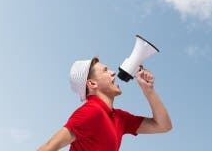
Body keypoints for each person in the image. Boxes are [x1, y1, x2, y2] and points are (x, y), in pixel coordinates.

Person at [37, 57, 172, 151]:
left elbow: (163, 125)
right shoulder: (91, 112)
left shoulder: (119, 117)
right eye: (105, 70)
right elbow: (48, 147)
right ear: (92, 83)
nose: (113, 72)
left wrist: (148, 90)